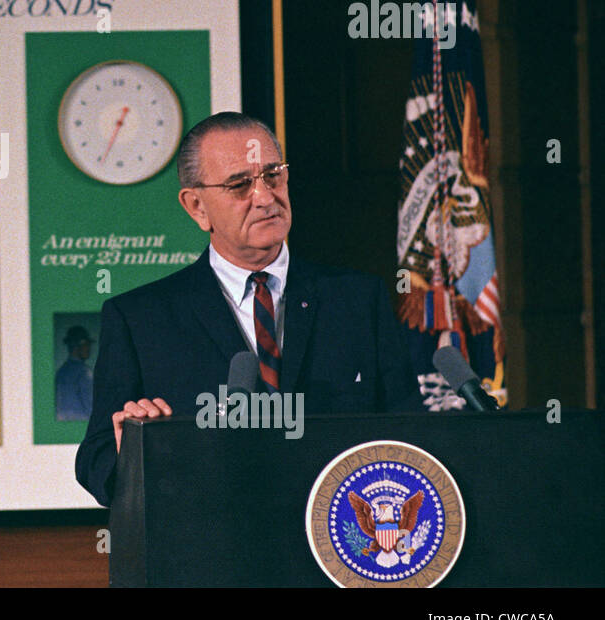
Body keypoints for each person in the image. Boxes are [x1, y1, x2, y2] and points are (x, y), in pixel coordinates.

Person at [75, 112, 420, 506]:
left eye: (273, 175)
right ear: (196, 206)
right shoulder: (140, 319)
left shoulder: (358, 300)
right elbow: (94, 463)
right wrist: (133, 449)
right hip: (211, 549)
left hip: (339, 542)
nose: (265, 197)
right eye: (240, 185)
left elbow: (409, 434)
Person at [54, 325, 95, 421]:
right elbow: (91, 409)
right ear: (77, 346)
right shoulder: (84, 373)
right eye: (86, 345)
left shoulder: (61, 372)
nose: (89, 349)